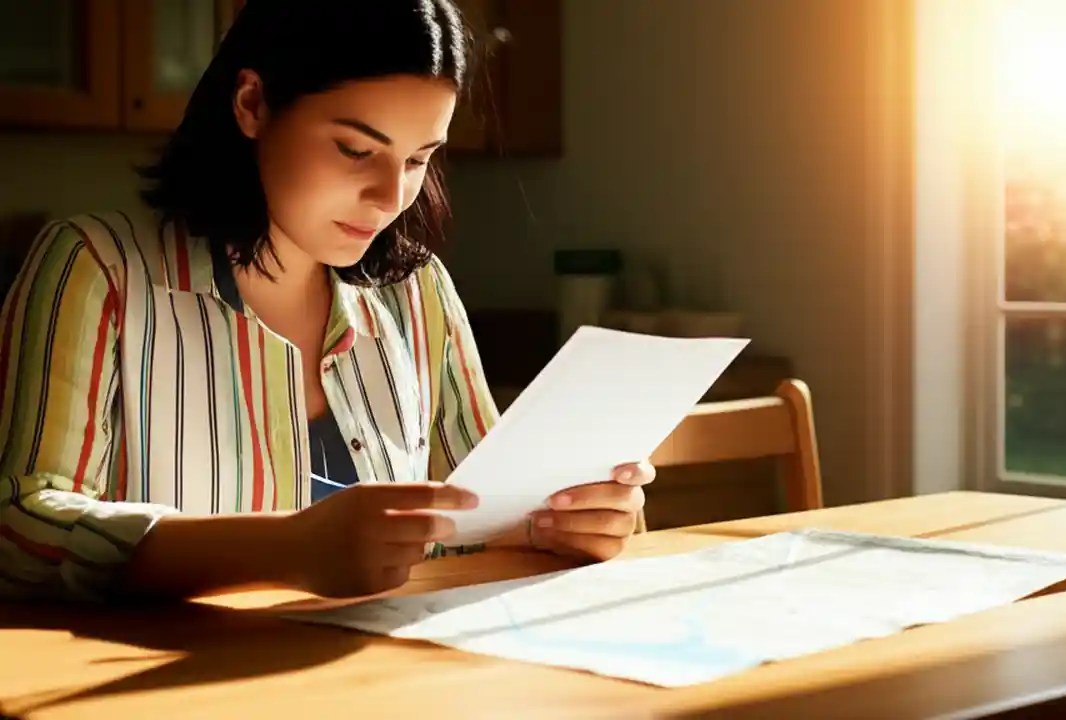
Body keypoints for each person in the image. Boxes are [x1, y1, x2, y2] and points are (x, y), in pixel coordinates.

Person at [0, 0, 652, 602]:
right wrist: (287, 548)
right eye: (356, 149)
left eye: (418, 160)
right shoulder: (96, 268)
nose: (390, 197)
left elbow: (482, 520)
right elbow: (21, 524)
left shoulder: (417, 292)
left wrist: (566, 520)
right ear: (252, 104)